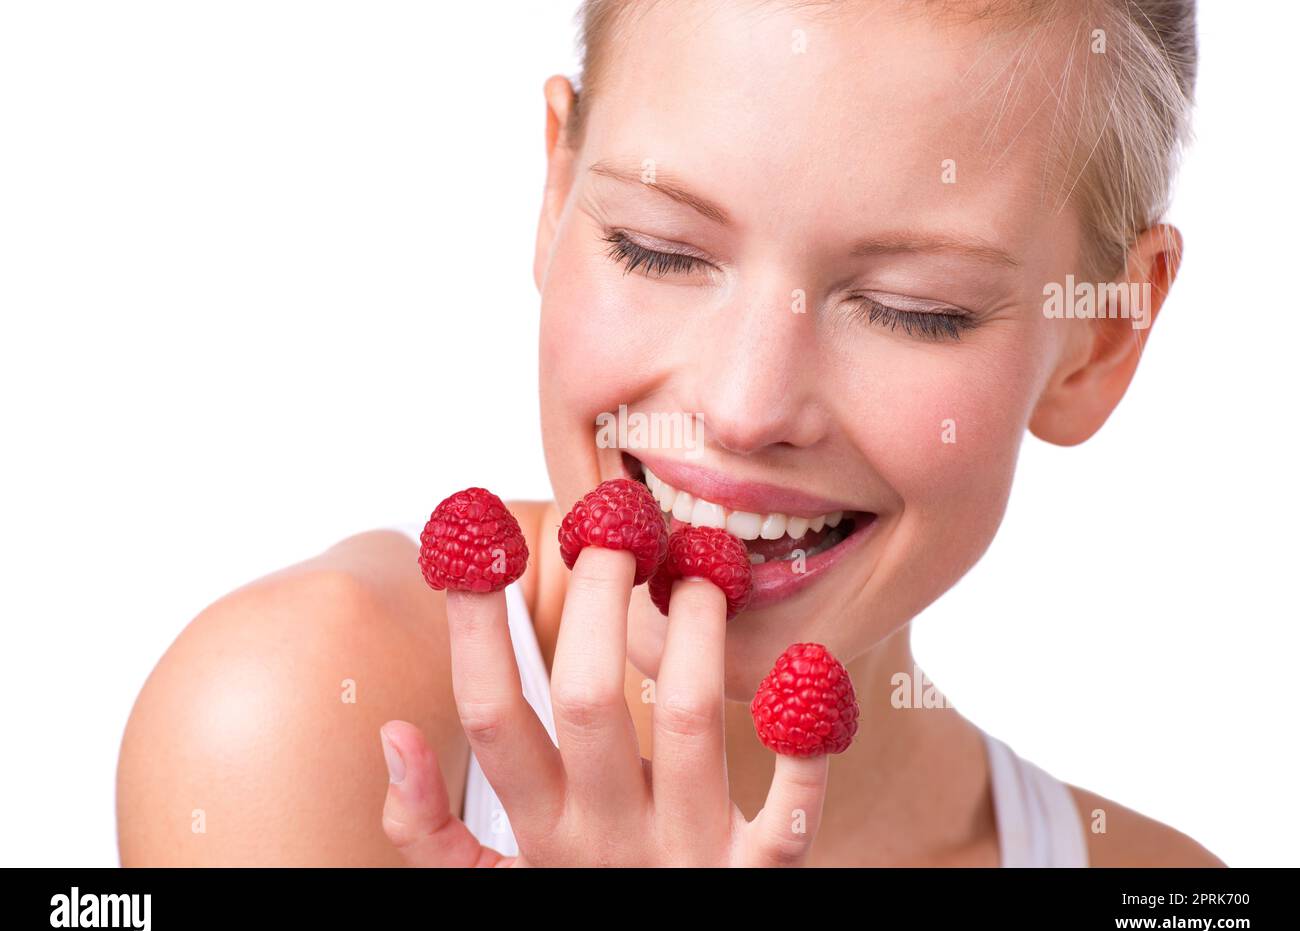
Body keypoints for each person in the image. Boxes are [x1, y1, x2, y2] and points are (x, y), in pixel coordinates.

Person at [116, 0, 1225, 866]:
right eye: (658, 249)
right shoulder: (287, 718)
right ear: (555, 196)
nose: (745, 407)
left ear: (1101, 338)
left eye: (910, 308)